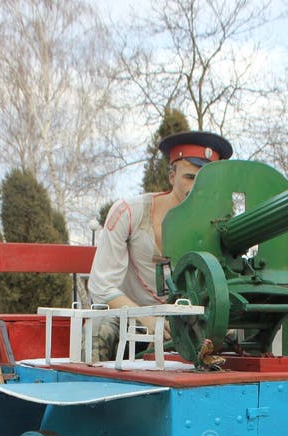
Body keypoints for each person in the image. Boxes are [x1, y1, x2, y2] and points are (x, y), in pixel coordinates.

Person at [87, 131, 233, 361]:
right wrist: (147, 317)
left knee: (234, 340)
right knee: (99, 332)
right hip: (127, 316)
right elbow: (101, 287)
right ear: (172, 176)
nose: (196, 188)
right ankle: (92, 393)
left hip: (186, 321)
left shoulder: (217, 226)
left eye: (204, 180)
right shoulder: (128, 213)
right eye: (189, 177)